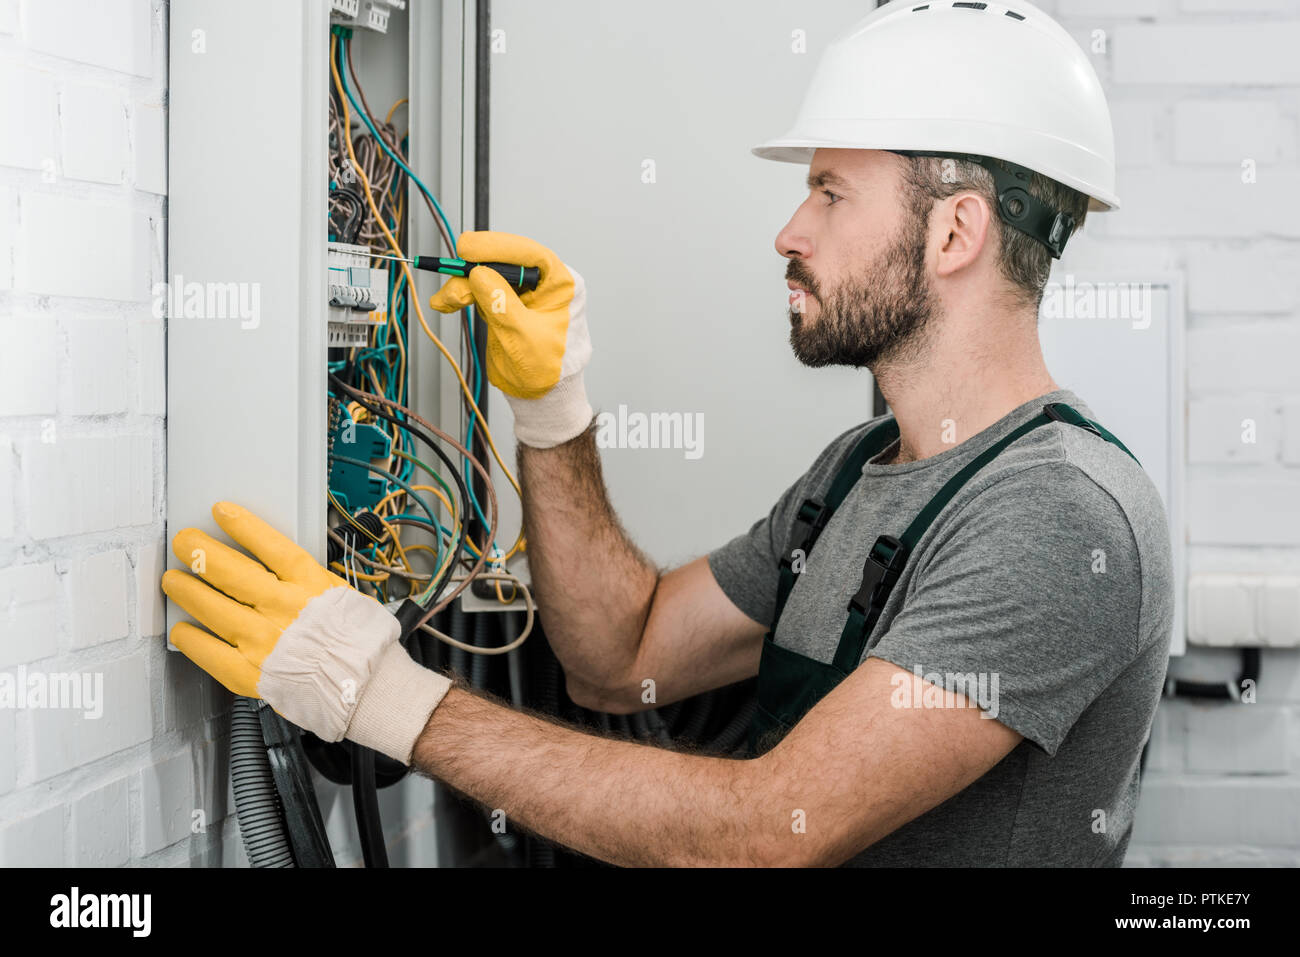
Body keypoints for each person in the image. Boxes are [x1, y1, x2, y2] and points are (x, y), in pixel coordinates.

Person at [162, 1, 1173, 866]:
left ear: (955, 233)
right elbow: (621, 652)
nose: (789, 229)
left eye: (830, 192)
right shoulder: (861, 472)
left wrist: (381, 697)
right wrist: (553, 410)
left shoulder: (1054, 513)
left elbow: (774, 830)